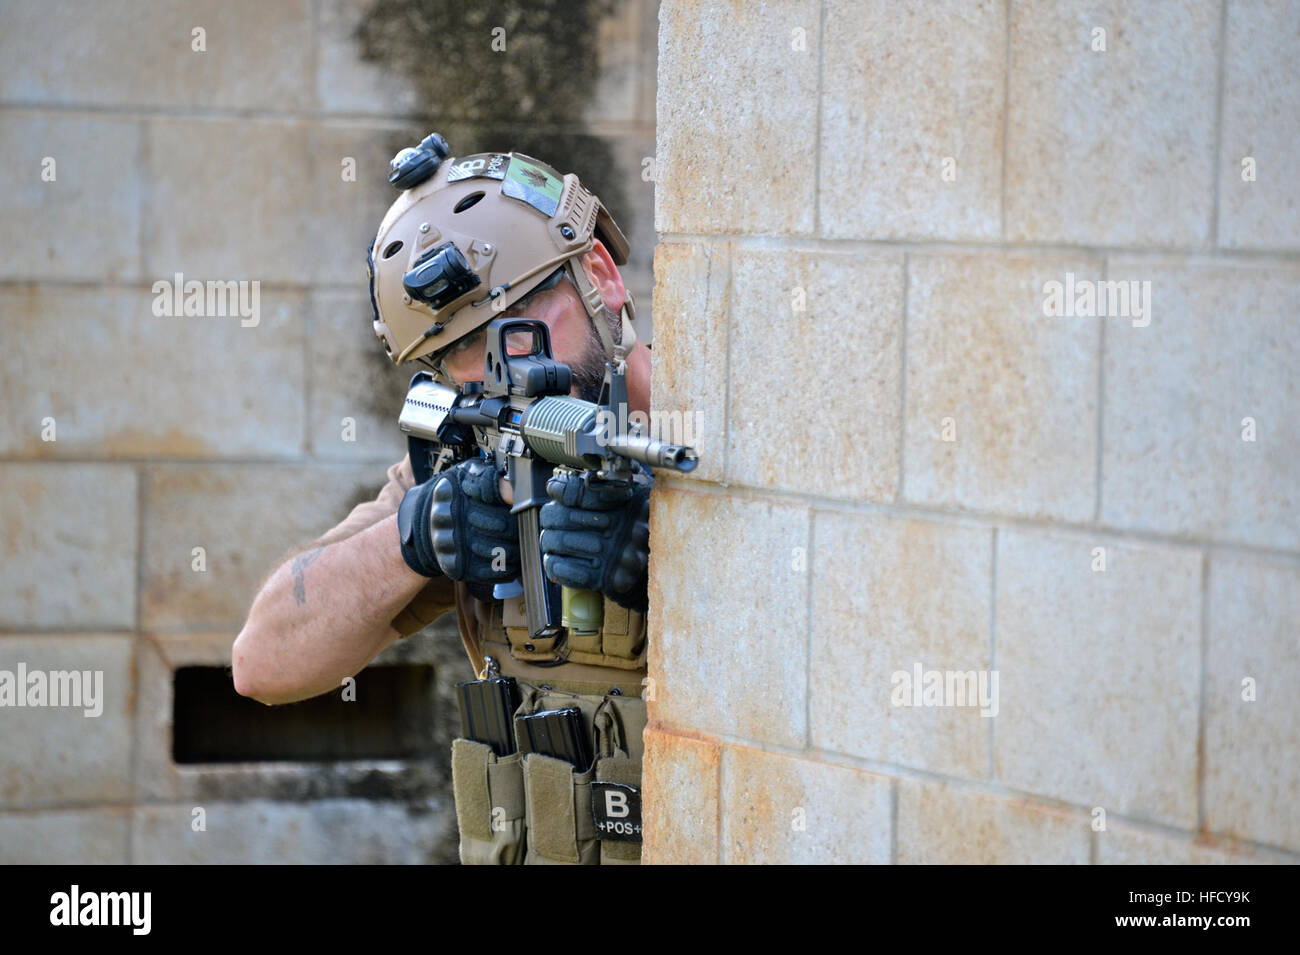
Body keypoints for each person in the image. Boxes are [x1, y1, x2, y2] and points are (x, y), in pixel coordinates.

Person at [232, 134, 655, 865]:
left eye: (519, 317)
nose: (503, 365)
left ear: (600, 275)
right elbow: (263, 662)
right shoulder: (477, 452)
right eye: (458, 350)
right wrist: (413, 535)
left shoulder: (722, 427)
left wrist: (667, 570)